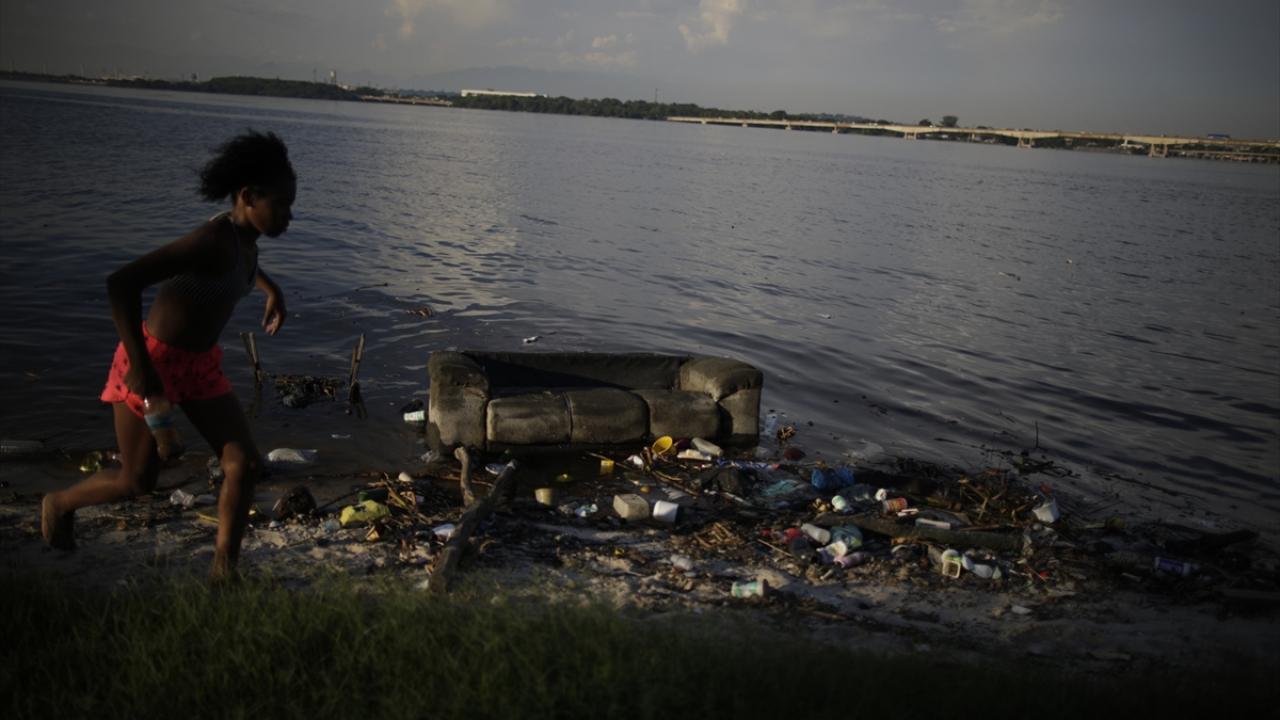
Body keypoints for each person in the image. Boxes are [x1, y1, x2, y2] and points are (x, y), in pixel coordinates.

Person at [40, 130, 296, 581]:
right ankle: (59, 503)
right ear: (248, 196)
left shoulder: (244, 241)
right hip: (152, 363)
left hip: (199, 368)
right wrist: (141, 369)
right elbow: (122, 284)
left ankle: (224, 574)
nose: (289, 217)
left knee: (245, 464)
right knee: (137, 482)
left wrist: (270, 288)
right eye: (281, 205)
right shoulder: (212, 239)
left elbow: (239, 268)